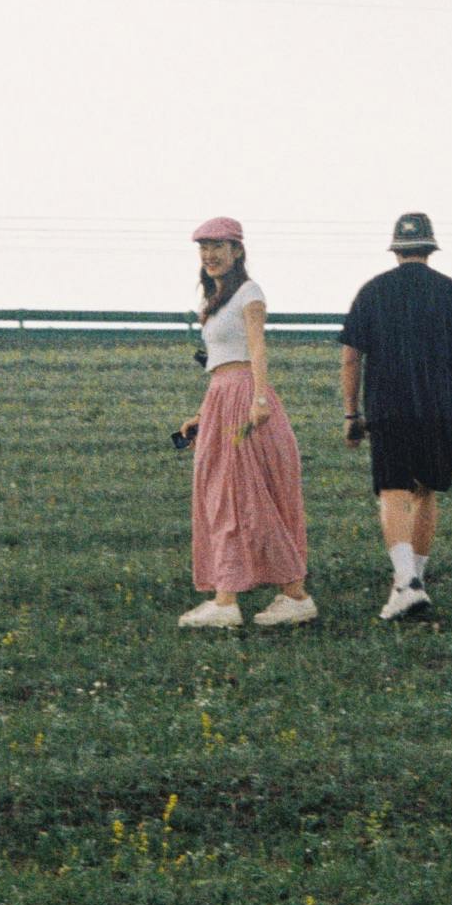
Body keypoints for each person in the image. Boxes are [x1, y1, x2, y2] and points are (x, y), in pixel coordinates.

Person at [339, 212, 452, 620]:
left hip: (388, 405)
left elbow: (350, 358)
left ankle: (405, 584)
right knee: (426, 490)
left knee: (393, 491)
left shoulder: (372, 292)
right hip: (442, 405)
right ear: (430, 249)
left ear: (396, 250)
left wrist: (351, 413)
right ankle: (415, 583)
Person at [177, 217, 315, 629]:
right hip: (222, 398)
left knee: (241, 495)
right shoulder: (216, 301)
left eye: (218, 246)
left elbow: (257, 348)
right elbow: (219, 365)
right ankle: (250, 594)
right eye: (203, 248)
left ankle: (266, 596)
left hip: (244, 401)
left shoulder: (249, 293)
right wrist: (203, 414)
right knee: (223, 493)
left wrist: (259, 398)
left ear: (237, 250)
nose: (210, 255)